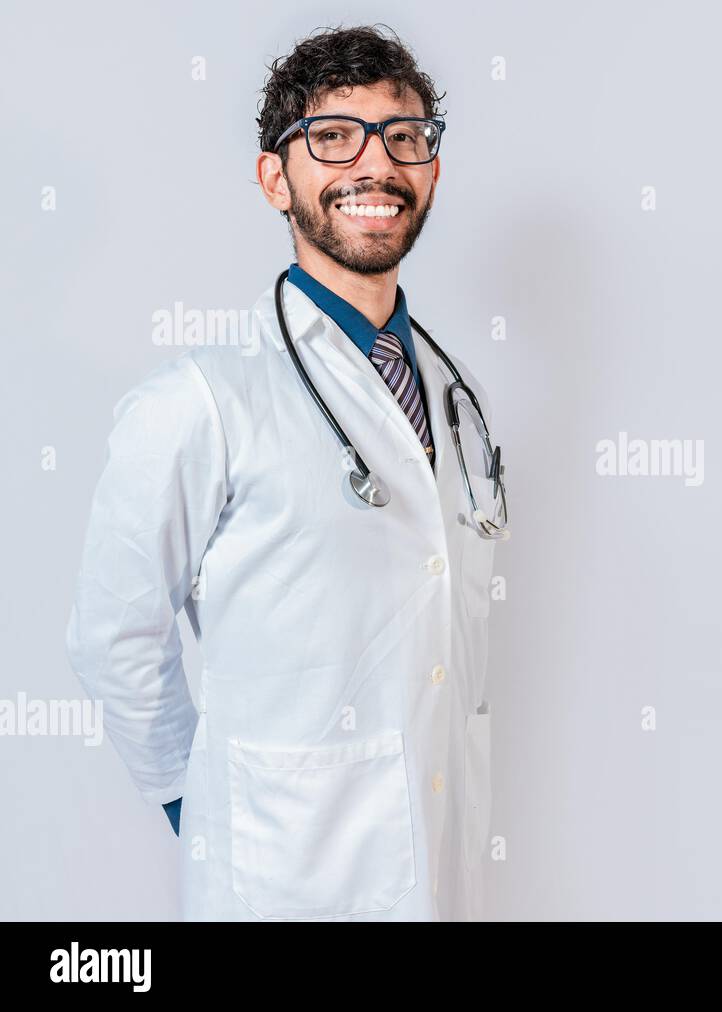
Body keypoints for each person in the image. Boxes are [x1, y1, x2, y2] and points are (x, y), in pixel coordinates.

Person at [65, 24, 502, 921]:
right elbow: (113, 639)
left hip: (447, 875)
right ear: (277, 178)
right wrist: (201, 804)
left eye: (404, 138)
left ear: (431, 173)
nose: (375, 165)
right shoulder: (199, 402)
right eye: (334, 136)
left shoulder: (456, 397)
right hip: (280, 883)